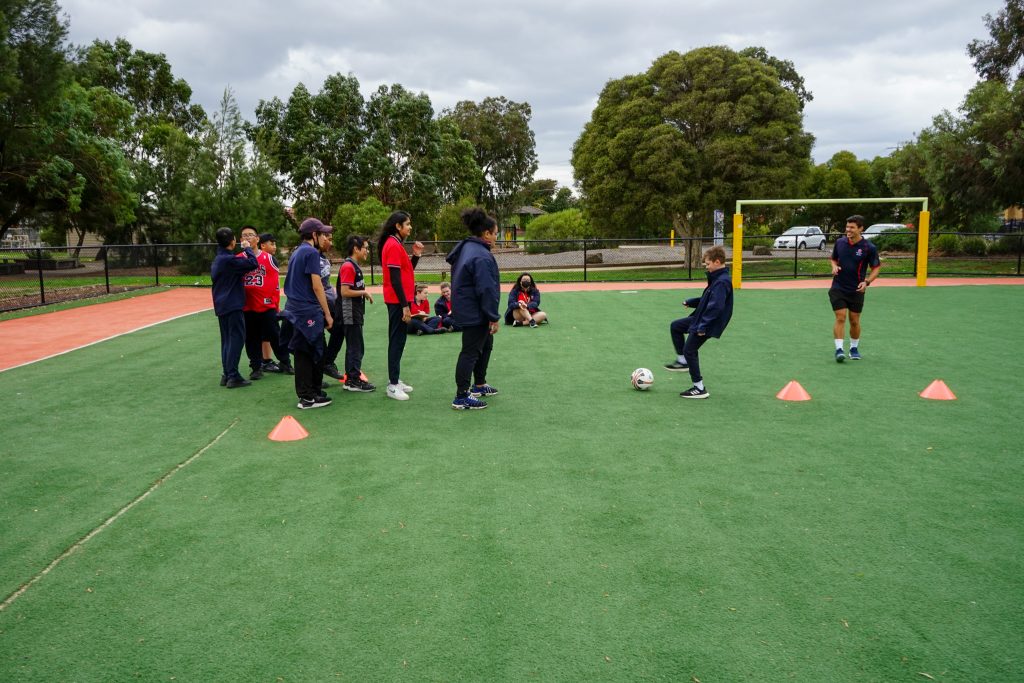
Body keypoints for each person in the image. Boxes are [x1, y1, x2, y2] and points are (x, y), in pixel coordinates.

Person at [447, 207, 501, 410]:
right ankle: (461, 396)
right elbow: (486, 289)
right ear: (486, 234)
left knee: (486, 344)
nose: (496, 237)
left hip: (469, 308)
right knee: (470, 351)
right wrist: (492, 316)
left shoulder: (468, 248)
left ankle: (479, 384)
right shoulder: (480, 255)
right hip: (474, 311)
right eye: (495, 233)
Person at [663, 245, 733, 399]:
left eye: (707, 264)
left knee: (690, 350)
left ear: (717, 262)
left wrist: (702, 326)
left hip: (707, 323)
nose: (706, 267)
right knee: (676, 326)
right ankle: (682, 362)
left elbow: (716, 307)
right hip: (701, 319)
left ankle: (699, 388)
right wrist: (692, 302)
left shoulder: (722, 282)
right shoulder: (717, 279)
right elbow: (708, 300)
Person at [282, 217, 335, 409]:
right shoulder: (311, 253)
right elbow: (317, 285)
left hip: (295, 309)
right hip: (306, 311)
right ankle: (307, 397)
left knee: (309, 350)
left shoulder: (297, 252)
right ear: (314, 235)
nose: (325, 238)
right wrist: (328, 313)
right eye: (322, 234)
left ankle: (313, 391)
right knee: (306, 352)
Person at [378, 211, 423, 401]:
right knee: (396, 340)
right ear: (398, 226)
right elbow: (395, 280)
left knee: (400, 340)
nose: (410, 227)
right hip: (397, 301)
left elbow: (406, 272)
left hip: (400, 300)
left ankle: (395, 379)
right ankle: (392, 384)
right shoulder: (392, 245)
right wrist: (405, 305)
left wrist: (416, 256)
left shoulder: (396, 244)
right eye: (407, 224)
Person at [211, 227, 258, 388]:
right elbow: (253, 263)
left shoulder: (219, 258)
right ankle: (233, 375)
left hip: (221, 304)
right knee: (236, 339)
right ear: (233, 241)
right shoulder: (229, 260)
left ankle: (226, 374)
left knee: (226, 340)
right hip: (232, 304)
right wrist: (247, 248)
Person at [829, 215, 881, 362]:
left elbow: (876, 268)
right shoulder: (840, 242)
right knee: (840, 317)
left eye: (852, 227)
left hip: (856, 289)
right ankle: (839, 349)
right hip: (838, 286)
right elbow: (833, 259)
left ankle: (853, 348)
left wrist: (867, 282)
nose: (848, 230)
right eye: (847, 227)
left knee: (854, 320)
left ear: (860, 229)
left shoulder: (868, 248)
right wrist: (834, 266)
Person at [328, 234, 375, 393]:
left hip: (350, 312)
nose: (367, 251)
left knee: (347, 343)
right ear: (356, 248)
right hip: (349, 312)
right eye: (365, 248)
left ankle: (331, 366)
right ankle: (353, 380)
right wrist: (364, 292)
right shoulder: (348, 266)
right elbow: (345, 291)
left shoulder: (353, 265)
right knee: (356, 346)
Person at [241, 228, 288, 379]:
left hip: (267, 306)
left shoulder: (268, 258)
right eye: (244, 235)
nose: (247, 237)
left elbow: (275, 284)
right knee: (252, 338)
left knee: (275, 335)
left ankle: (285, 362)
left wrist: (275, 304)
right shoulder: (238, 258)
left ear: (257, 239)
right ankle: (256, 367)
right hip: (247, 306)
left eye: (250, 235)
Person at [257, 233, 293, 374]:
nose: (274, 247)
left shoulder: (270, 259)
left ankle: (272, 361)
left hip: (268, 303)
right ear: (262, 245)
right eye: (271, 244)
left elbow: (274, 285)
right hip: (261, 304)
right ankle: (269, 361)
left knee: (270, 334)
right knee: (269, 334)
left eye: (275, 244)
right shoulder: (253, 259)